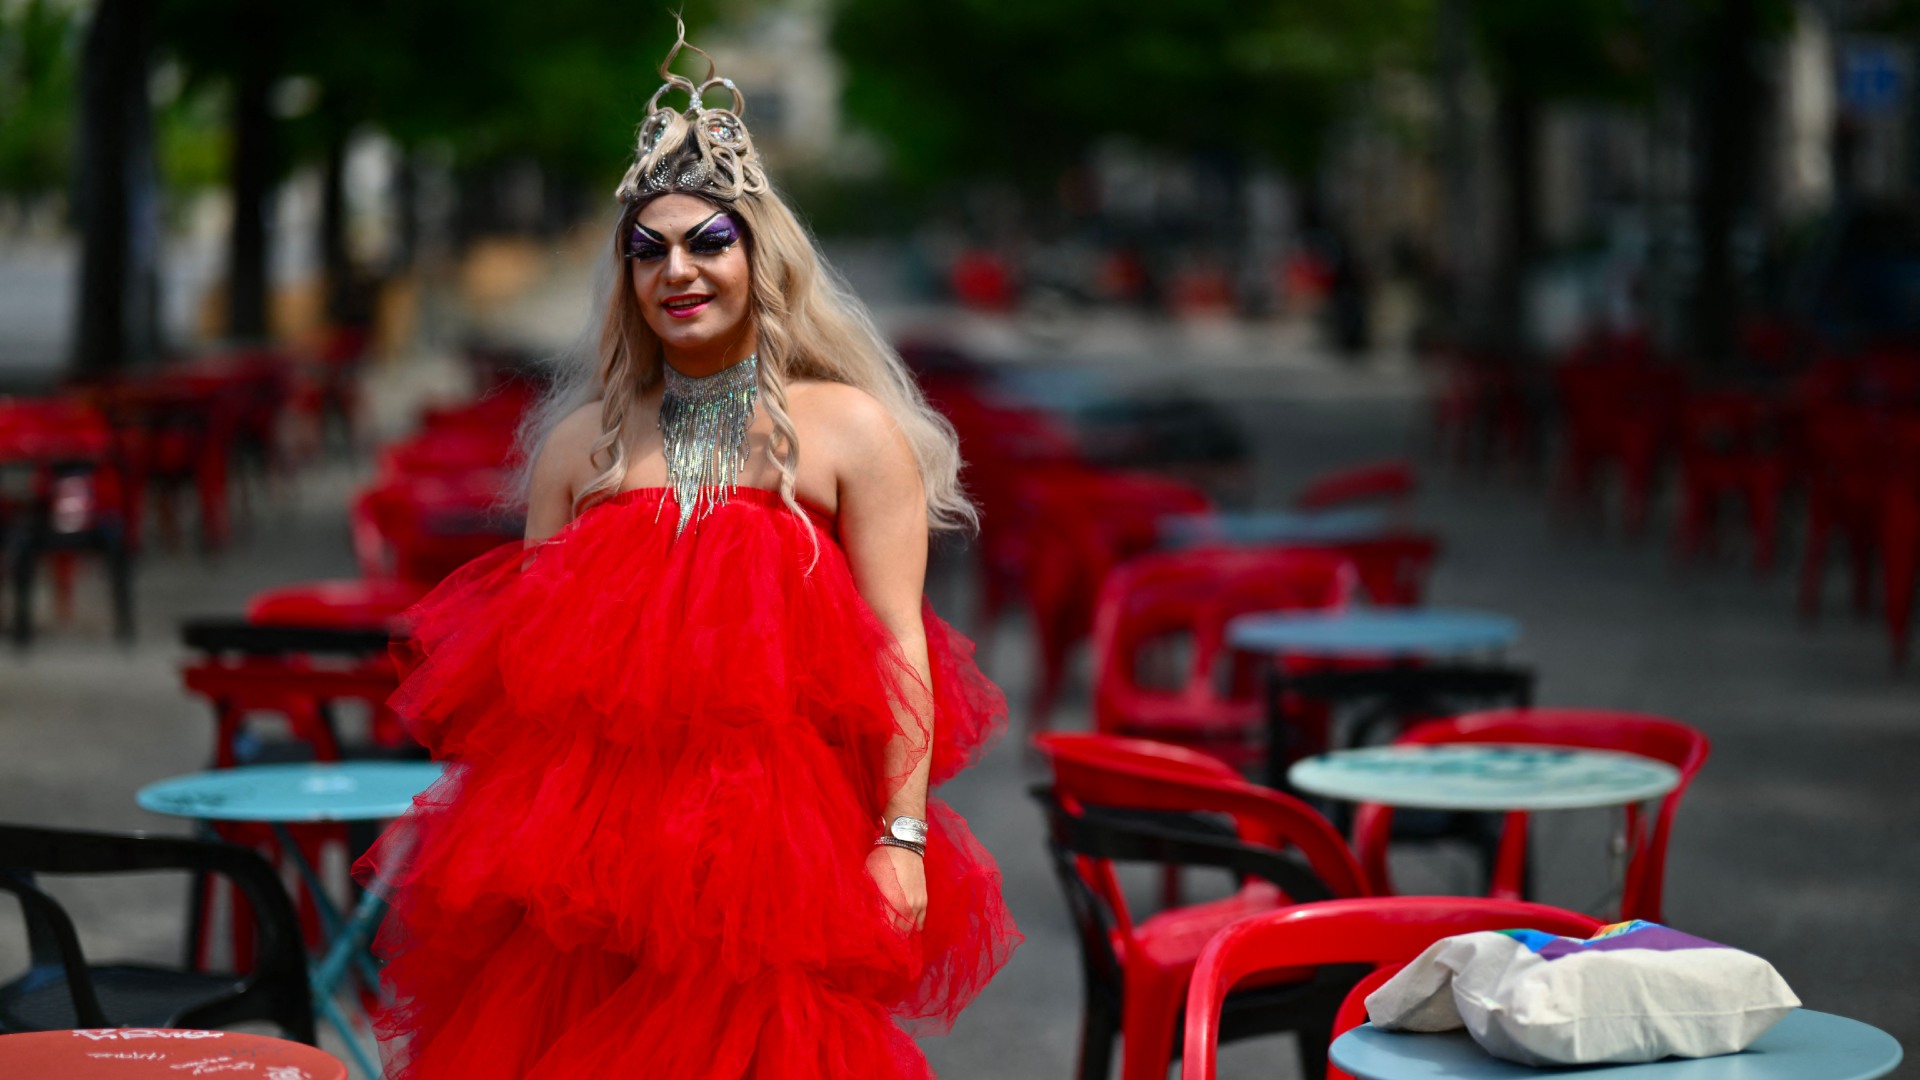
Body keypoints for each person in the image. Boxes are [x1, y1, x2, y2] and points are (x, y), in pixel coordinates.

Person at [357, 27, 1019, 1079]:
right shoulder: (581, 448)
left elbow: (900, 649)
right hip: (594, 874)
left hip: (774, 870)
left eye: (708, 241)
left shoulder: (847, 430)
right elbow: (530, 686)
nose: (678, 269)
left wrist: (900, 838)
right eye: (649, 249)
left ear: (761, 258)